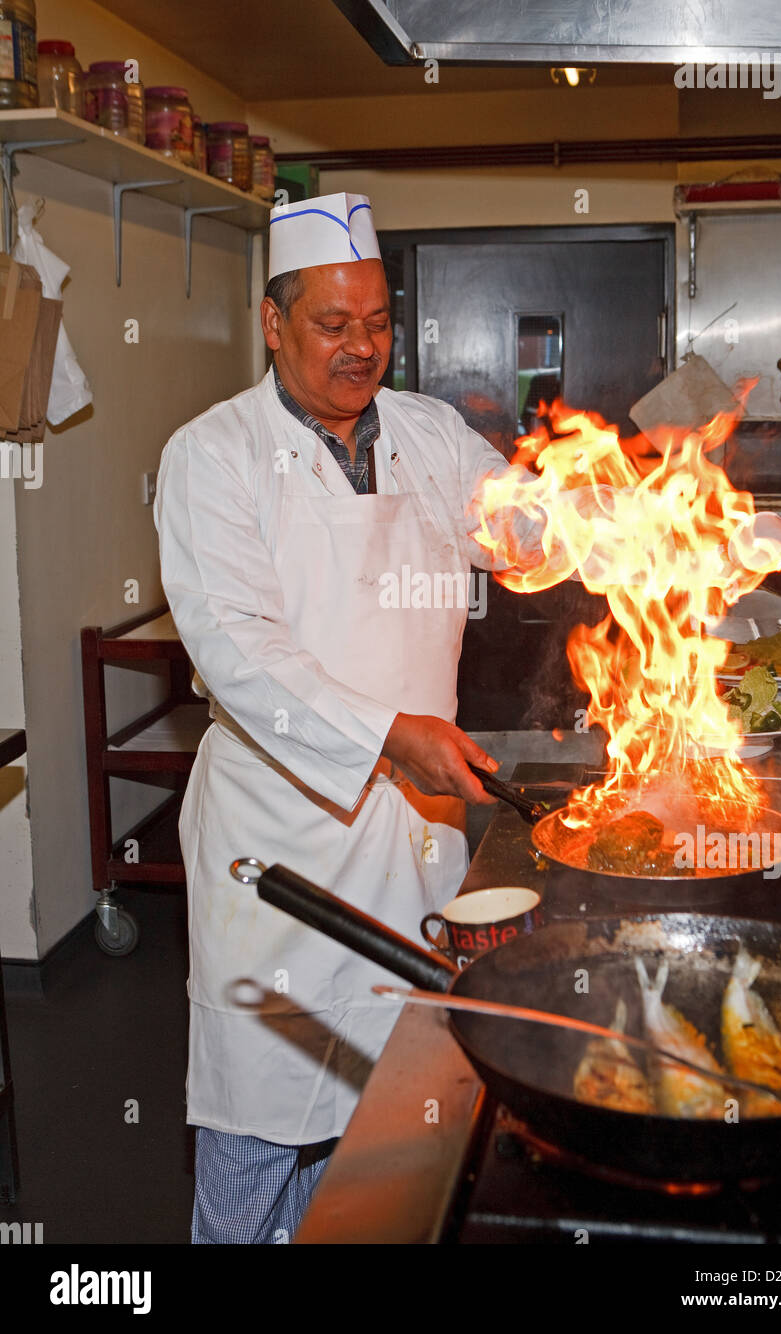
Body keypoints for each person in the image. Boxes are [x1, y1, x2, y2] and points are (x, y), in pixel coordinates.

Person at [154, 193, 543, 1244]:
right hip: (282, 848)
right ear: (273, 322)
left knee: (399, 1119)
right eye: (331, 324)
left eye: (376, 321)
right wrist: (385, 734)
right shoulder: (211, 456)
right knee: (259, 1123)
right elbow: (238, 653)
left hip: (417, 836)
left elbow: (519, 528)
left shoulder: (428, 434)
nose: (360, 346)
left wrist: (635, 522)